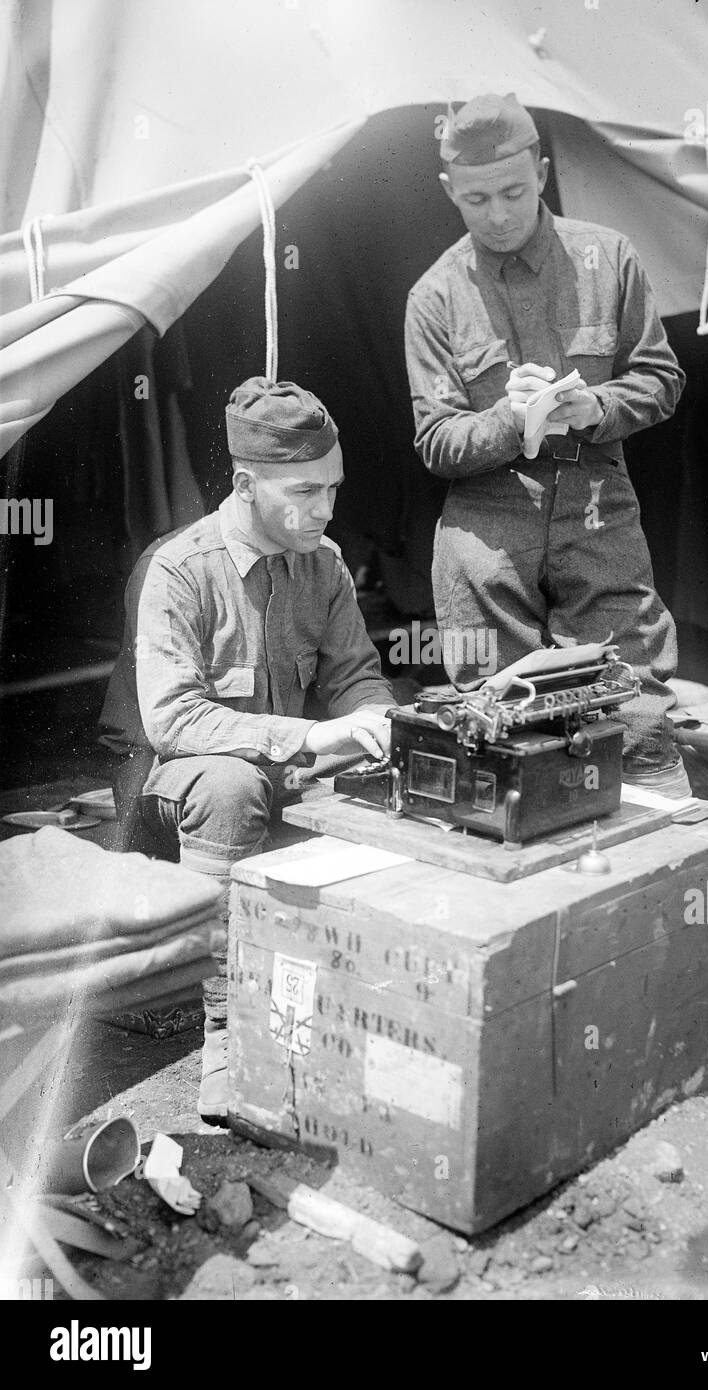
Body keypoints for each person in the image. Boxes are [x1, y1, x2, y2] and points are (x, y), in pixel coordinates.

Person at [99, 377, 393, 1121]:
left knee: (402, 755)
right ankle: (230, 1034)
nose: (326, 509)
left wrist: (381, 725)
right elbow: (169, 721)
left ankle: (366, 1002)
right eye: (305, 490)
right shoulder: (176, 569)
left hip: (271, 768)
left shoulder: (320, 563)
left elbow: (357, 677)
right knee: (231, 788)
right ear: (244, 483)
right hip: (167, 795)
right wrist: (307, 736)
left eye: (334, 488)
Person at [404, 92, 691, 797]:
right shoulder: (434, 298)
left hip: (598, 512)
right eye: (475, 199)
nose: (497, 214)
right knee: (506, 727)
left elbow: (661, 376)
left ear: (541, 170)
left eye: (512, 191)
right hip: (486, 538)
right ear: (448, 192)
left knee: (638, 712)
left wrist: (594, 405)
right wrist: (510, 420)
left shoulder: (609, 258)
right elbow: (435, 442)